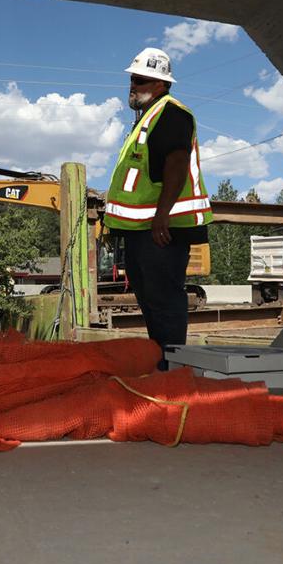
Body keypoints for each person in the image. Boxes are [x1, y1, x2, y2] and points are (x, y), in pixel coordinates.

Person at [102, 47, 214, 368]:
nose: (132, 86)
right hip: (143, 231)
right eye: (132, 79)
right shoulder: (146, 119)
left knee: (164, 302)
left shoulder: (171, 113)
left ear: (161, 84)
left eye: (139, 80)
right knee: (151, 300)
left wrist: (161, 217)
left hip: (163, 230)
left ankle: (171, 373)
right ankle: (161, 366)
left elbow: (176, 164)